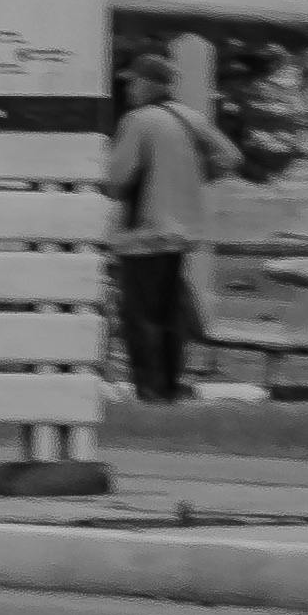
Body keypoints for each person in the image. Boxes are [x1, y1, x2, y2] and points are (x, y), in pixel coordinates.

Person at [105, 47, 224, 402]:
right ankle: (170, 386)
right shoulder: (191, 118)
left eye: (134, 83)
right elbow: (230, 156)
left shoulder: (138, 122)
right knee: (170, 315)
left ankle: (149, 390)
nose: (129, 90)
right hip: (181, 235)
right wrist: (194, 176)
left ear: (149, 84)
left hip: (144, 233)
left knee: (140, 315)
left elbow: (116, 179)